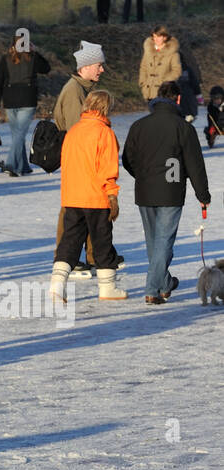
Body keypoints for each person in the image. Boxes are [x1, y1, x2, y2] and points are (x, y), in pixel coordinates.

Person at [122, 81, 211, 305]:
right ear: (178, 99)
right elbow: (195, 165)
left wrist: (142, 176)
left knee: (154, 241)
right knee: (163, 242)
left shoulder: (138, 126)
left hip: (145, 190)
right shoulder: (183, 127)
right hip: (171, 191)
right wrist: (203, 196)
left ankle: (164, 284)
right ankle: (153, 288)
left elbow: (127, 159)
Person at [50, 91, 126, 304]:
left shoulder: (73, 131)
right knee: (102, 243)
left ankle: (57, 286)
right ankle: (107, 288)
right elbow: (108, 169)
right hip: (96, 197)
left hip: (72, 197)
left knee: (69, 241)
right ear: (105, 107)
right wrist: (112, 196)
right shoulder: (104, 133)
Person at [55, 42, 107, 277]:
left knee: (85, 205)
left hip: (80, 158)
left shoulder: (83, 88)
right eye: (99, 65)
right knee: (73, 208)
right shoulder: (75, 92)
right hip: (78, 160)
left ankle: (89, 255)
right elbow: (80, 132)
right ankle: (67, 257)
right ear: (86, 67)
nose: (102, 70)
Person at [0, 32, 51, 178]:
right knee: (19, 134)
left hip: (10, 100)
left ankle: (21, 166)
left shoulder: (6, 59)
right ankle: (14, 165)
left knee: (18, 134)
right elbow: (47, 68)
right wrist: (35, 51)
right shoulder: (32, 58)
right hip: (27, 99)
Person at [138, 26, 181, 107]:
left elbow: (176, 71)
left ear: (165, 37)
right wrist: (143, 82)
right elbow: (143, 67)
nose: (156, 39)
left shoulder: (173, 54)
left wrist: (163, 82)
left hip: (164, 92)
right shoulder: (148, 51)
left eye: (159, 36)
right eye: (154, 36)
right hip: (149, 90)